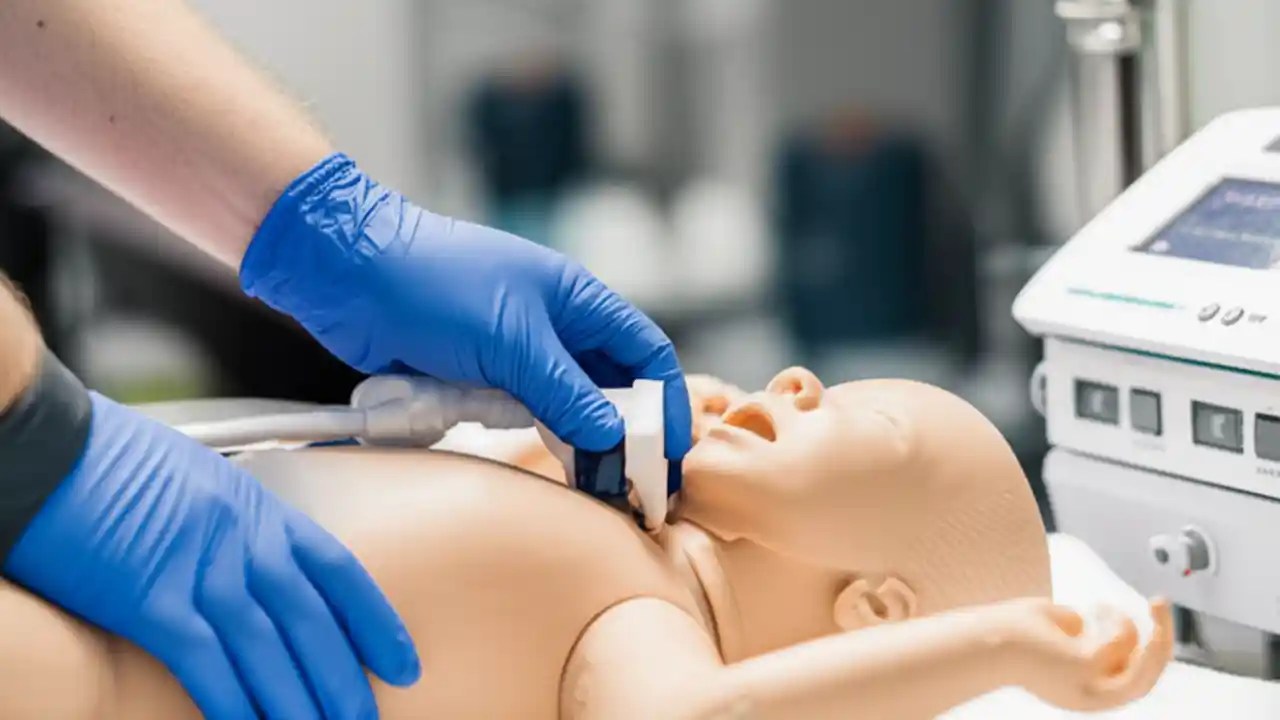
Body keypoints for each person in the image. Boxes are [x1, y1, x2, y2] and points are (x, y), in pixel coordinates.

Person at [0, 2, 692, 718]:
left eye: (759, 401)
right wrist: (30, 434)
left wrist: (328, 223)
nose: (755, 403)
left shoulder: (638, 593)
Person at [0, 366, 1172, 718]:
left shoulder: (644, 621)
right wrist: (566, 438)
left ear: (873, 612)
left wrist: (998, 647)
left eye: (860, 423)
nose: (795, 381)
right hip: (71, 534)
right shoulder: (612, 517)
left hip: (104, 674)